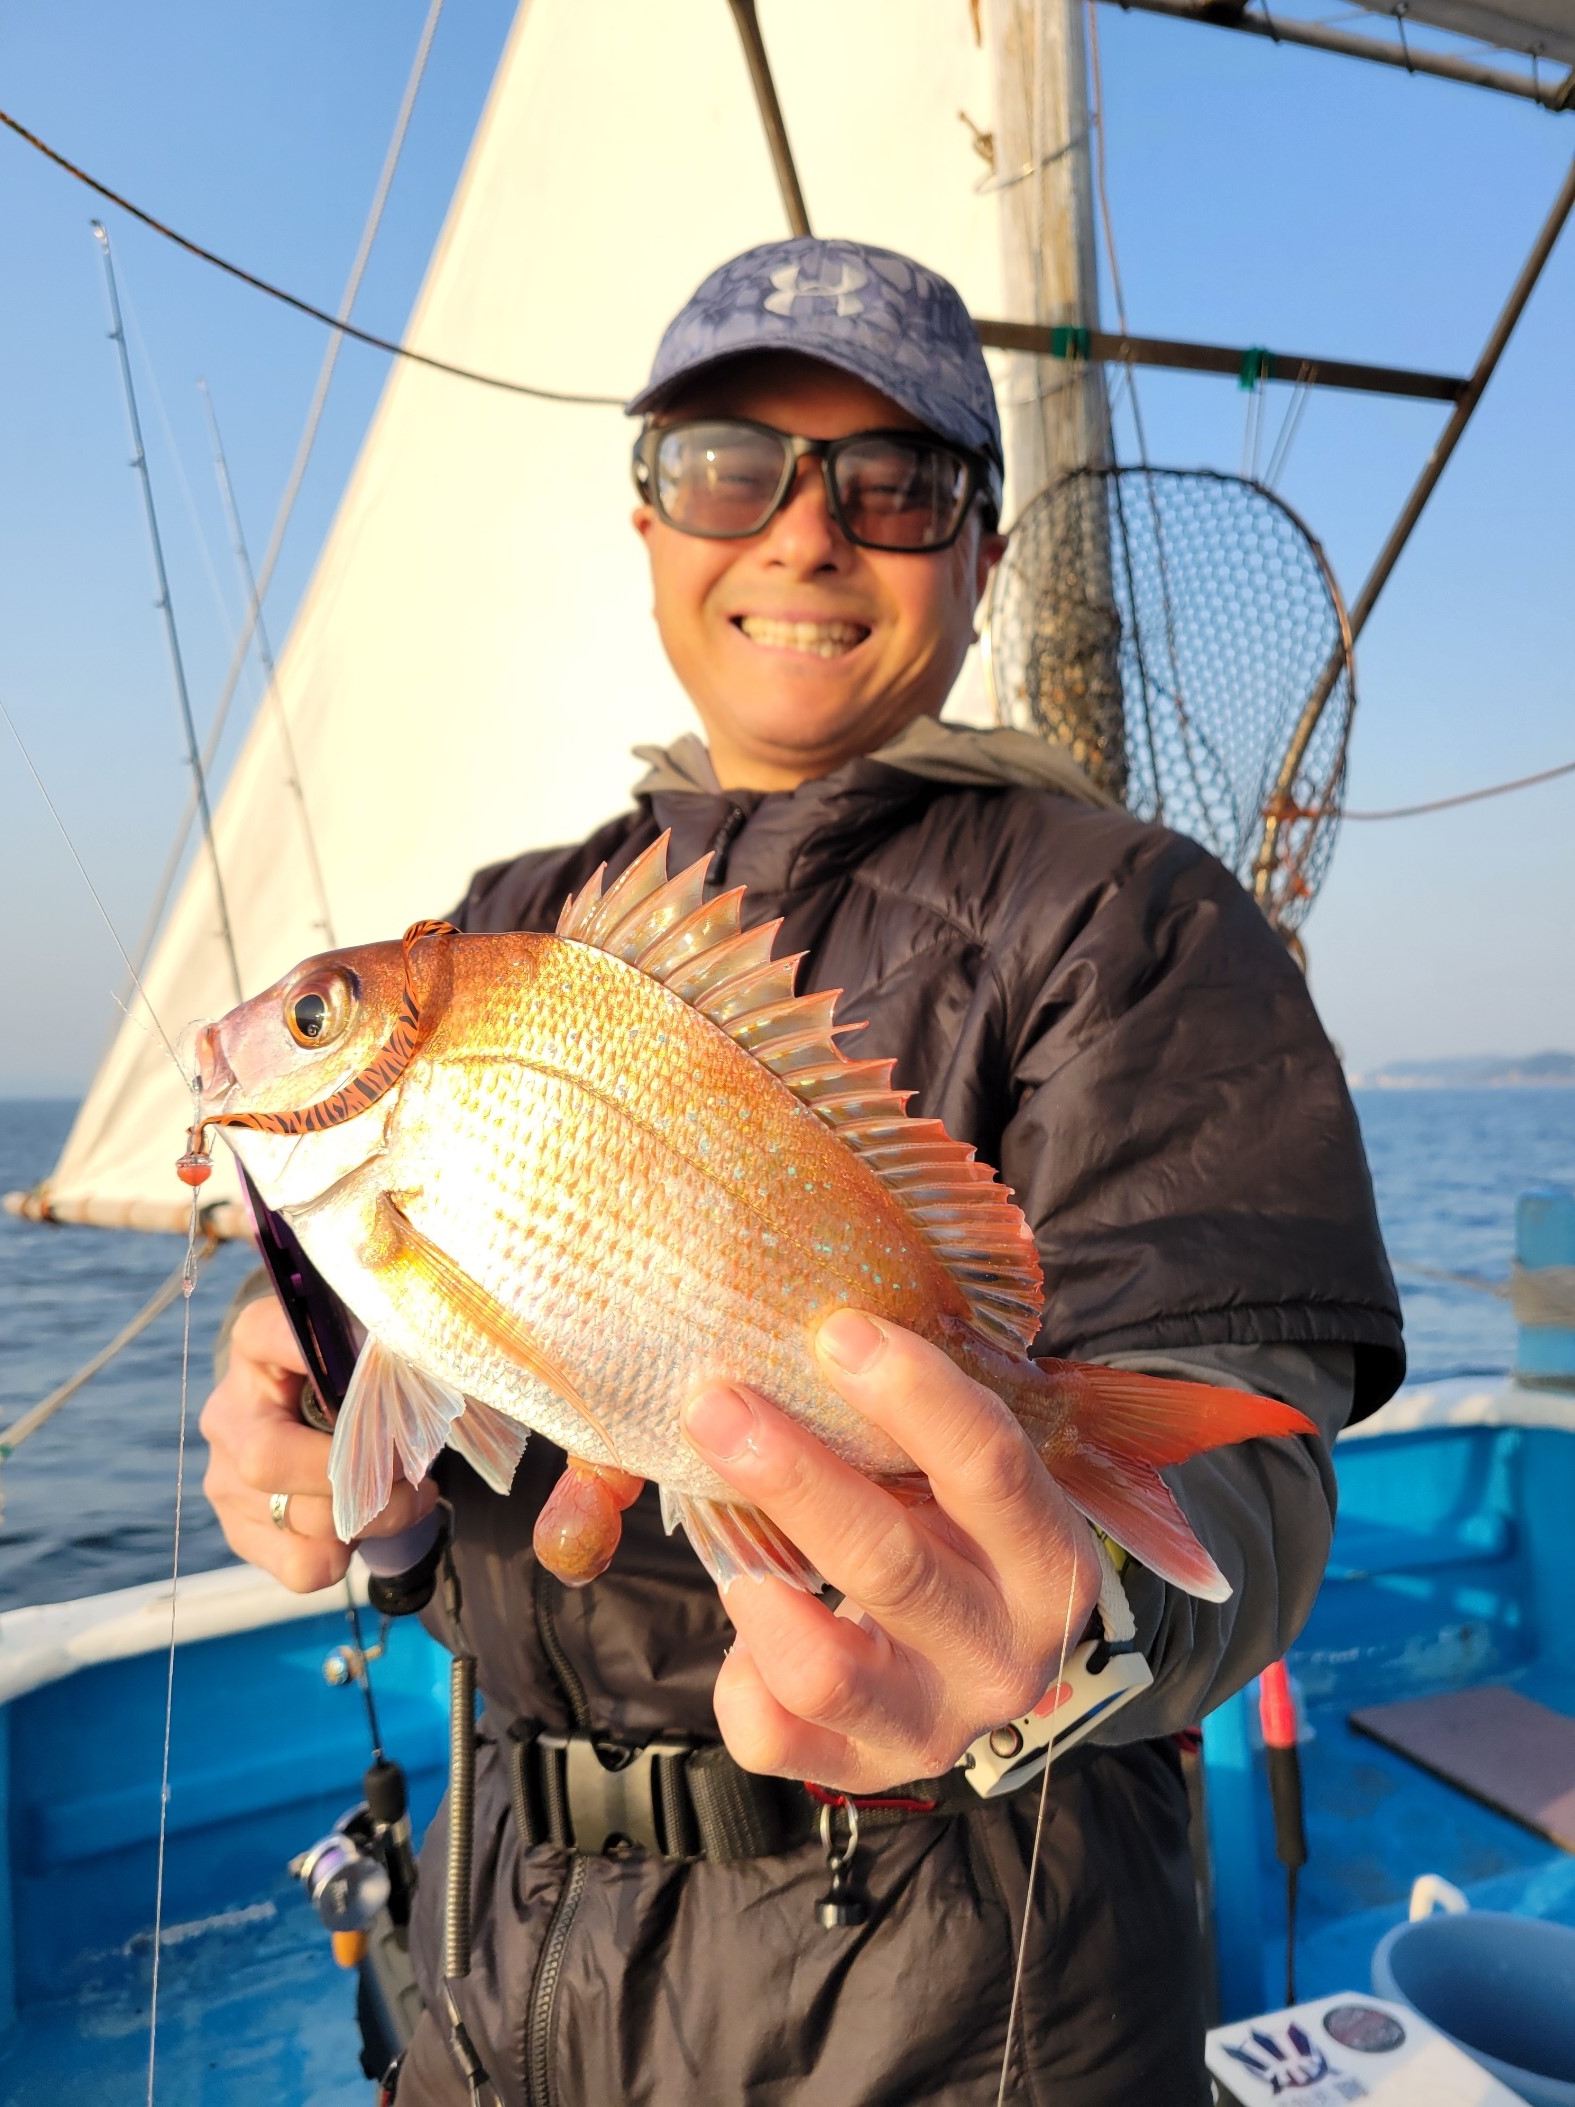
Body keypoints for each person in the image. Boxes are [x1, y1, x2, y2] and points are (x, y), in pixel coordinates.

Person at [201, 237, 1403, 2104]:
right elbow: (498, 1463)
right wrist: (376, 1505)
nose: (806, 531)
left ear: (985, 552)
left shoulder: (1133, 919)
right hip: (499, 1967)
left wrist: (1070, 1612)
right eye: (728, 464)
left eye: (899, 481)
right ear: (649, 522)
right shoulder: (512, 925)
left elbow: (1248, 1489)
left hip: (970, 2009)